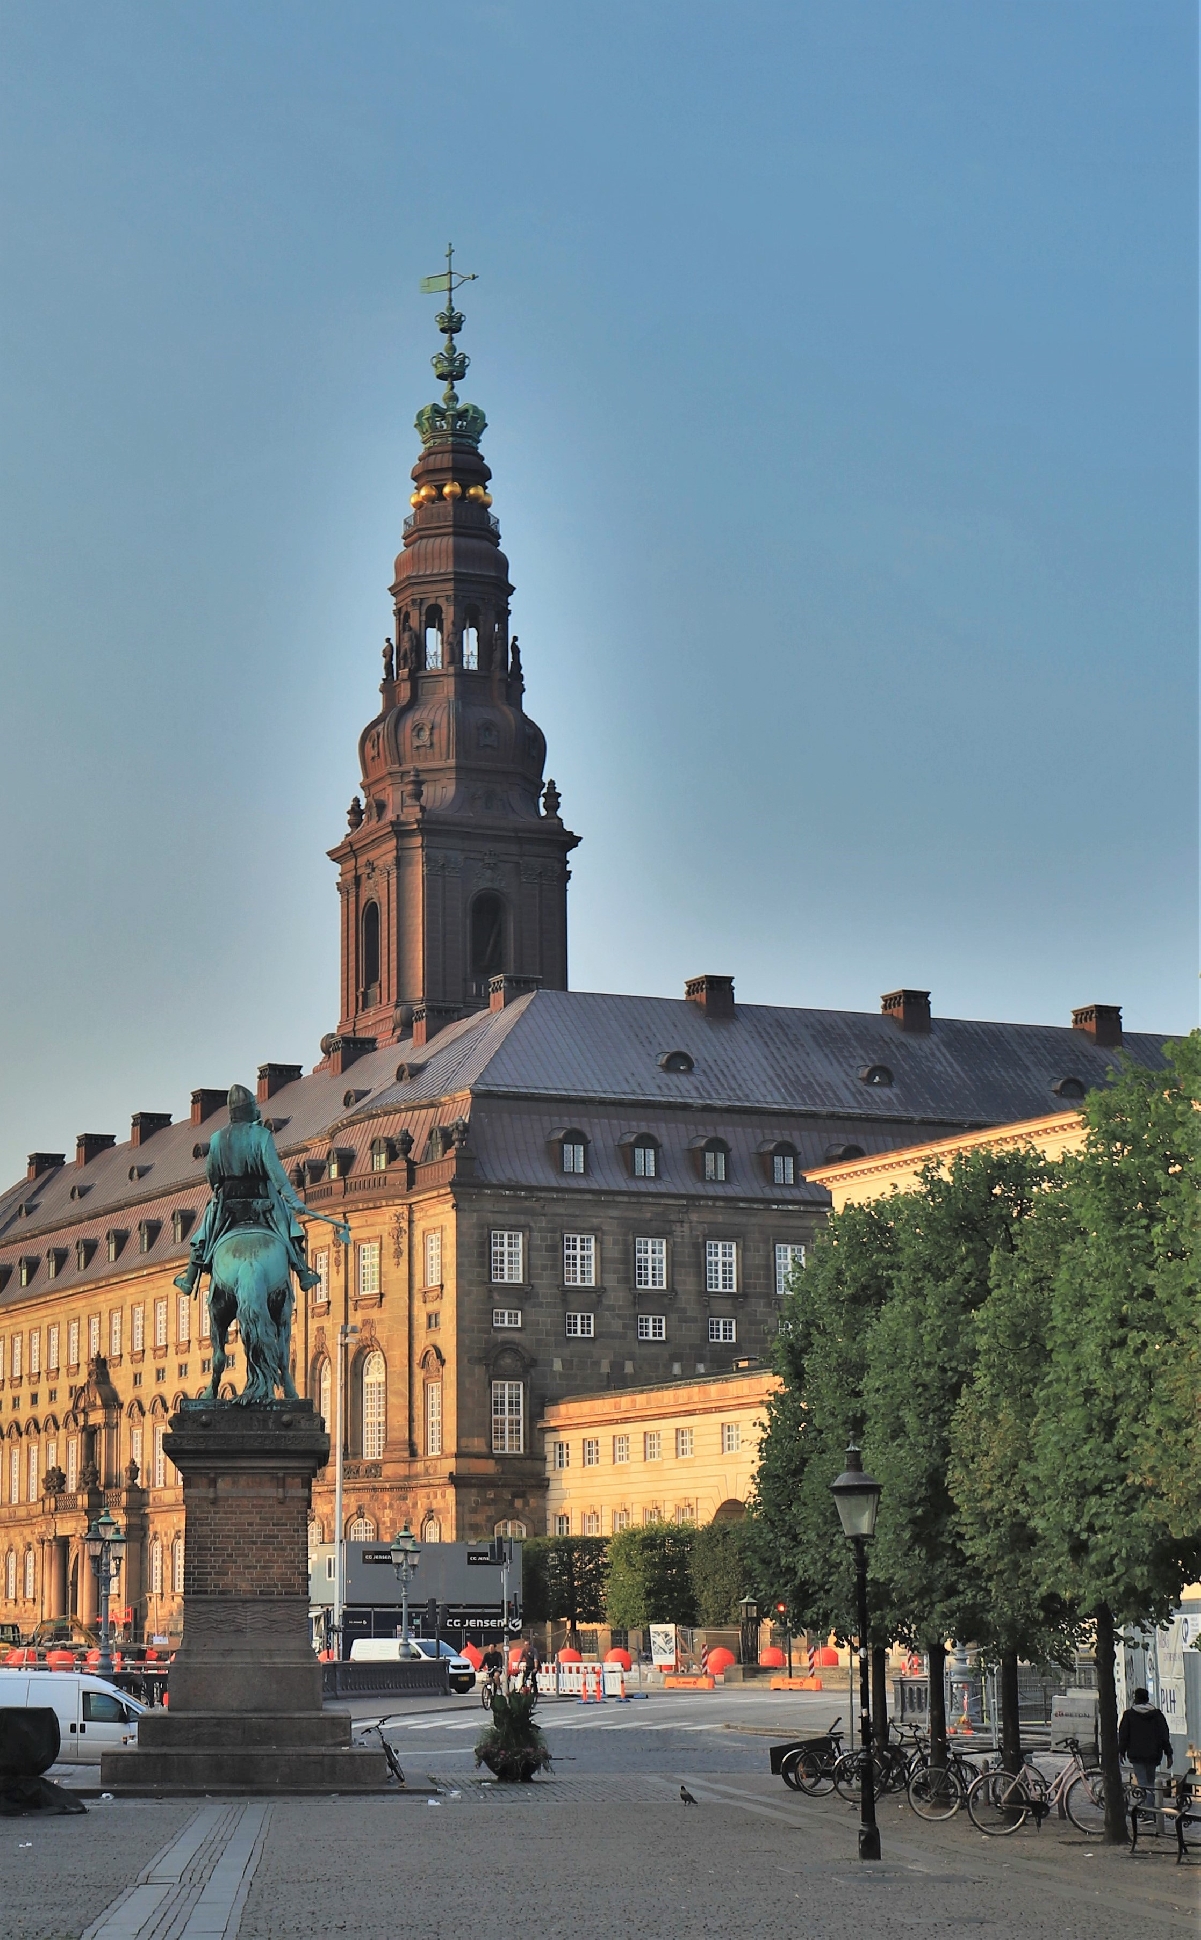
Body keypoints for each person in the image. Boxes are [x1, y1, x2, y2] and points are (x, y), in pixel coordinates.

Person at [174, 1084, 320, 1299]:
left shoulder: (217, 1139)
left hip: (228, 1204)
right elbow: (277, 1175)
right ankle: (302, 1272)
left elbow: (211, 1175)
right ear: (248, 1109)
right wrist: (294, 1201)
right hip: (263, 1201)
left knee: (203, 1235)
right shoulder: (261, 1135)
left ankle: (189, 1279)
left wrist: (221, 1187)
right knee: (288, 1227)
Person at [1117, 1687, 1173, 1798]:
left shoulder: (1129, 1715)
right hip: (1153, 1754)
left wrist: (1121, 1751)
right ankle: (1150, 1810)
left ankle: (1148, 1810)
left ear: (1135, 1699)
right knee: (1150, 1782)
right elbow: (1164, 1736)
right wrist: (1169, 1754)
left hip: (1136, 1754)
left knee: (1142, 1782)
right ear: (1147, 1699)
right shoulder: (1157, 1715)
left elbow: (1124, 1735)